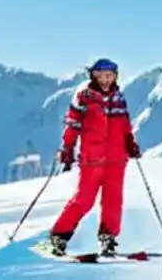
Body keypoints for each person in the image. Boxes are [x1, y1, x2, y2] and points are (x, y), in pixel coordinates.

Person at [39, 58, 141, 257]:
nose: (105, 80)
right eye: (100, 76)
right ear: (92, 76)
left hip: (116, 158)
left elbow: (124, 123)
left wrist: (130, 142)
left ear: (115, 76)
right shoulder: (83, 96)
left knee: (113, 200)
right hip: (92, 159)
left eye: (109, 76)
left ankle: (108, 239)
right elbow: (72, 124)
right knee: (83, 200)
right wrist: (67, 147)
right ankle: (58, 236)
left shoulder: (119, 97)